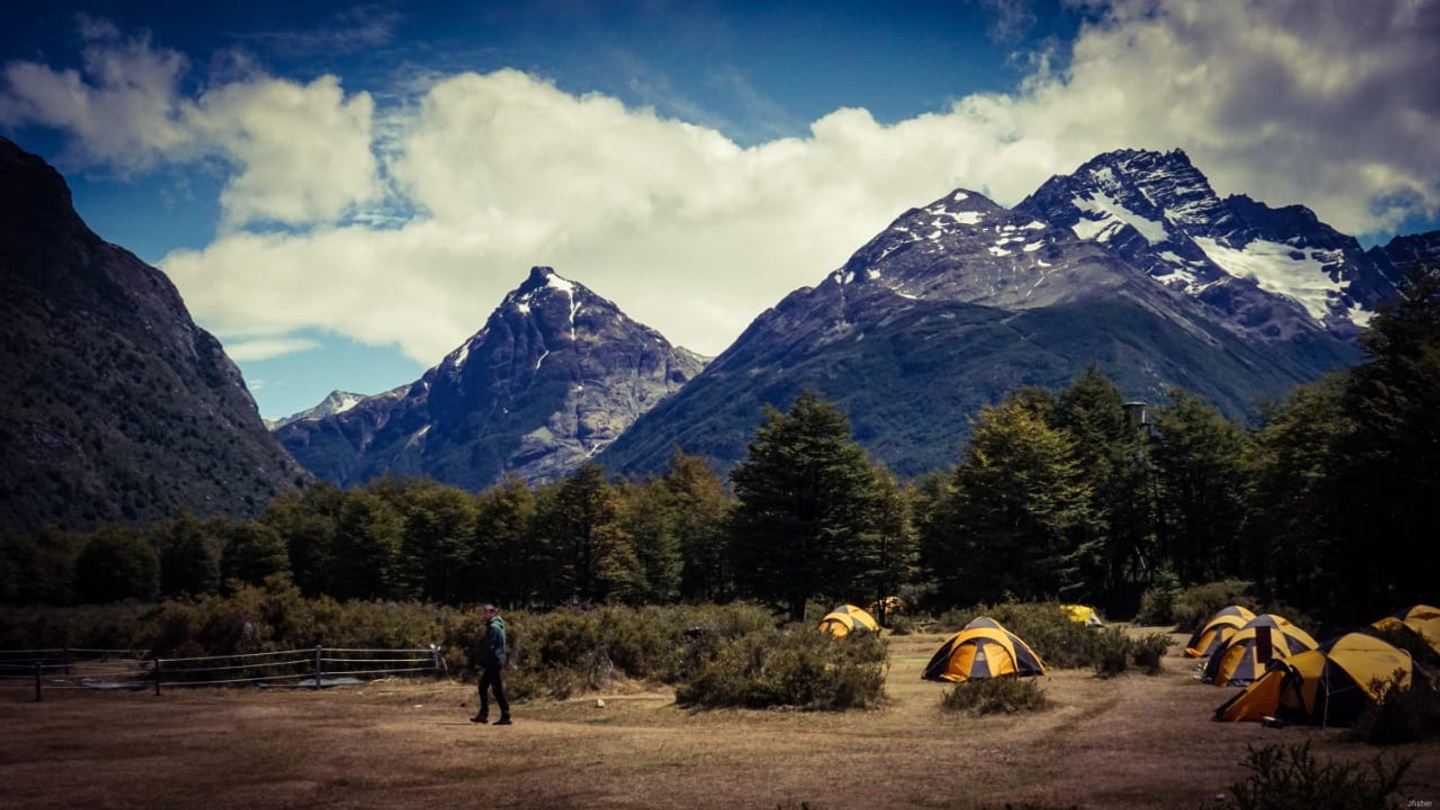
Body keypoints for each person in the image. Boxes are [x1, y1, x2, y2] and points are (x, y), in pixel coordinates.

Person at [471, 603, 511, 725]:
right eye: (484, 612)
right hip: (497, 660)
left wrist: (480, 661)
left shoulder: (493, 627)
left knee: (488, 688)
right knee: (491, 688)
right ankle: (492, 714)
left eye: (487, 612)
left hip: (494, 661)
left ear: (492, 613)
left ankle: (502, 715)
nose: (484, 614)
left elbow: (490, 646)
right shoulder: (498, 625)